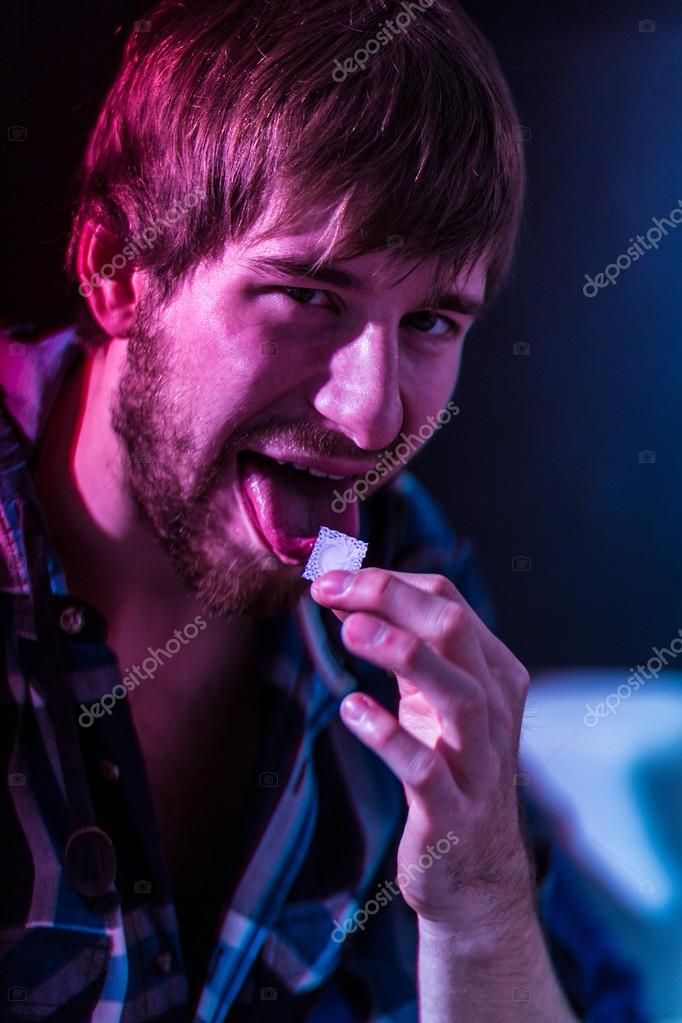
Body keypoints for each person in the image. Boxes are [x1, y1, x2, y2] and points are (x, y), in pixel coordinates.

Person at [0, 0, 649, 1019]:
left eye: (431, 320)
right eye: (307, 296)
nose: (371, 414)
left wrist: (478, 906)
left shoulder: (406, 566)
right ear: (117, 272)